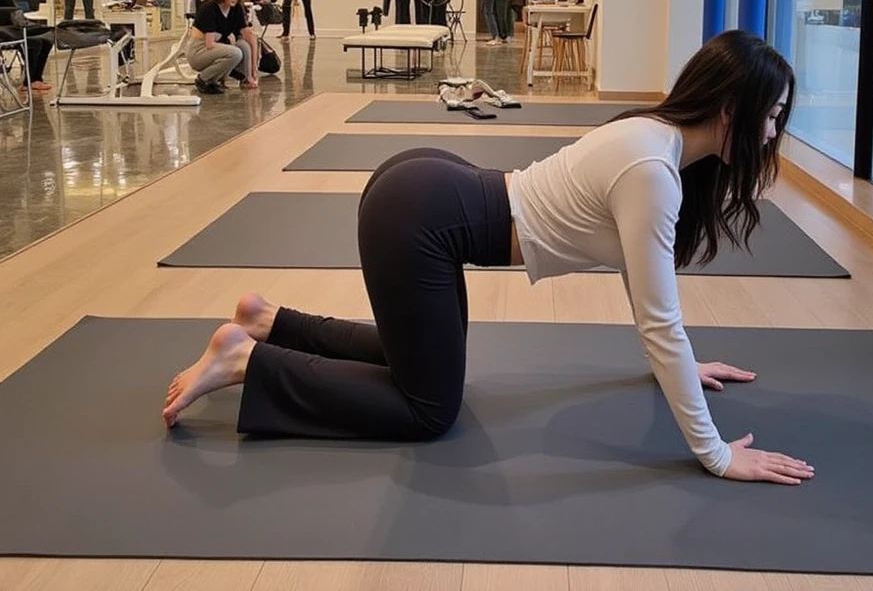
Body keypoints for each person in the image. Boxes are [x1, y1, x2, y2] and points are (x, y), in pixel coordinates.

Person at [162, 31, 814, 486]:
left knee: (421, 361)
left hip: (430, 196)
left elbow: (650, 299)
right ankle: (250, 360)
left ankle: (266, 321)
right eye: (771, 115)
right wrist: (716, 455)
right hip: (423, 217)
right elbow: (658, 321)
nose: (772, 133)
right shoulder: (654, 171)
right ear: (732, 108)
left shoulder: (654, 140)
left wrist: (684, 364)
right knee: (428, 408)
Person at [186, 0, 259, 95]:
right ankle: (203, 79)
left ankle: (244, 79)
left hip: (216, 48)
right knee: (235, 53)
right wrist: (229, 48)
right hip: (199, 50)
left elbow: (250, 38)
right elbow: (209, 44)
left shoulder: (236, 9)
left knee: (243, 45)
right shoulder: (209, 8)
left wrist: (253, 72)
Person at [0, 0, 52, 91]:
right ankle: (29, 81)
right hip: (5, 33)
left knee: (47, 41)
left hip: (14, 30)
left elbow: (16, 15)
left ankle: (36, 79)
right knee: (34, 43)